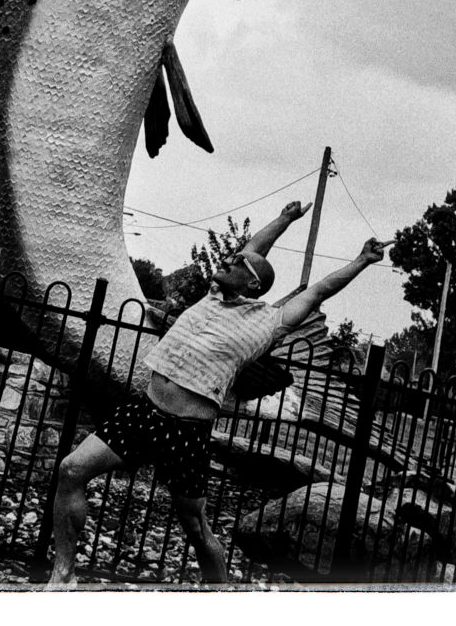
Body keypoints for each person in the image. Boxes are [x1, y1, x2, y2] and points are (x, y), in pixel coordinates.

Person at [46, 200, 389, 587]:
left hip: (186, 433)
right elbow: (254, 251)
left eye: (236, 263)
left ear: (253, 283)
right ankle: (63, 577)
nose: (227, 261)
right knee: (71, 470)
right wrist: (285, 219)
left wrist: (362, 259)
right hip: (144, 411)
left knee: (197, 530)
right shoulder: (211, 295)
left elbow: (321, 290)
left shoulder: (269, 322)